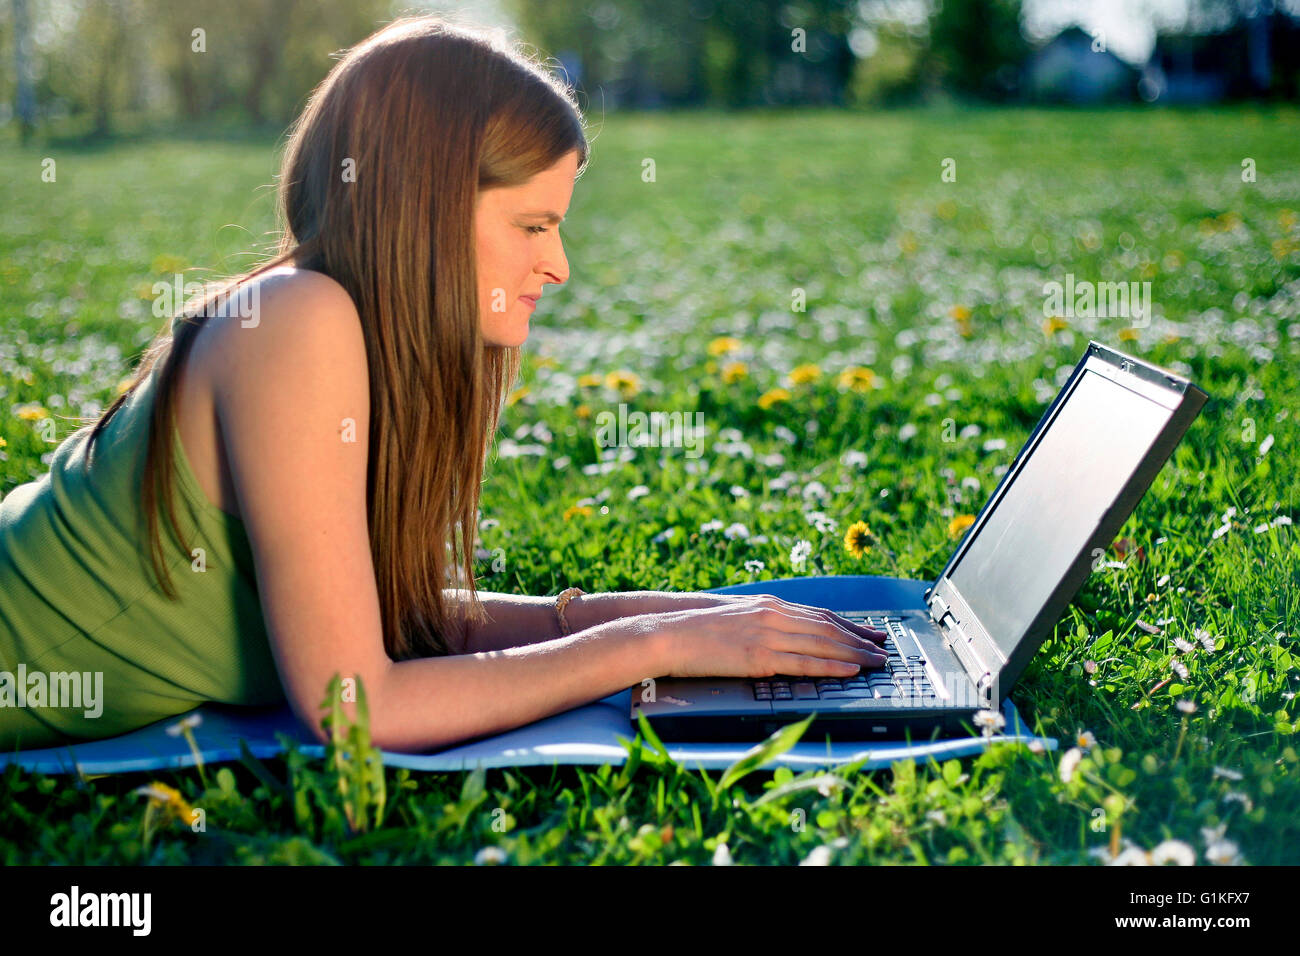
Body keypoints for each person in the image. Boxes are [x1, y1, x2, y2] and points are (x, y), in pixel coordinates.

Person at [0, 15, 887, 754]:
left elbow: (405, 622)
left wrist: (712, 624)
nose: (560, 265)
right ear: (421, 205)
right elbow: (355, 705)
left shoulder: (350, 336)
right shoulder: (296, 324)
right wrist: (653, 644)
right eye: (533, 225)